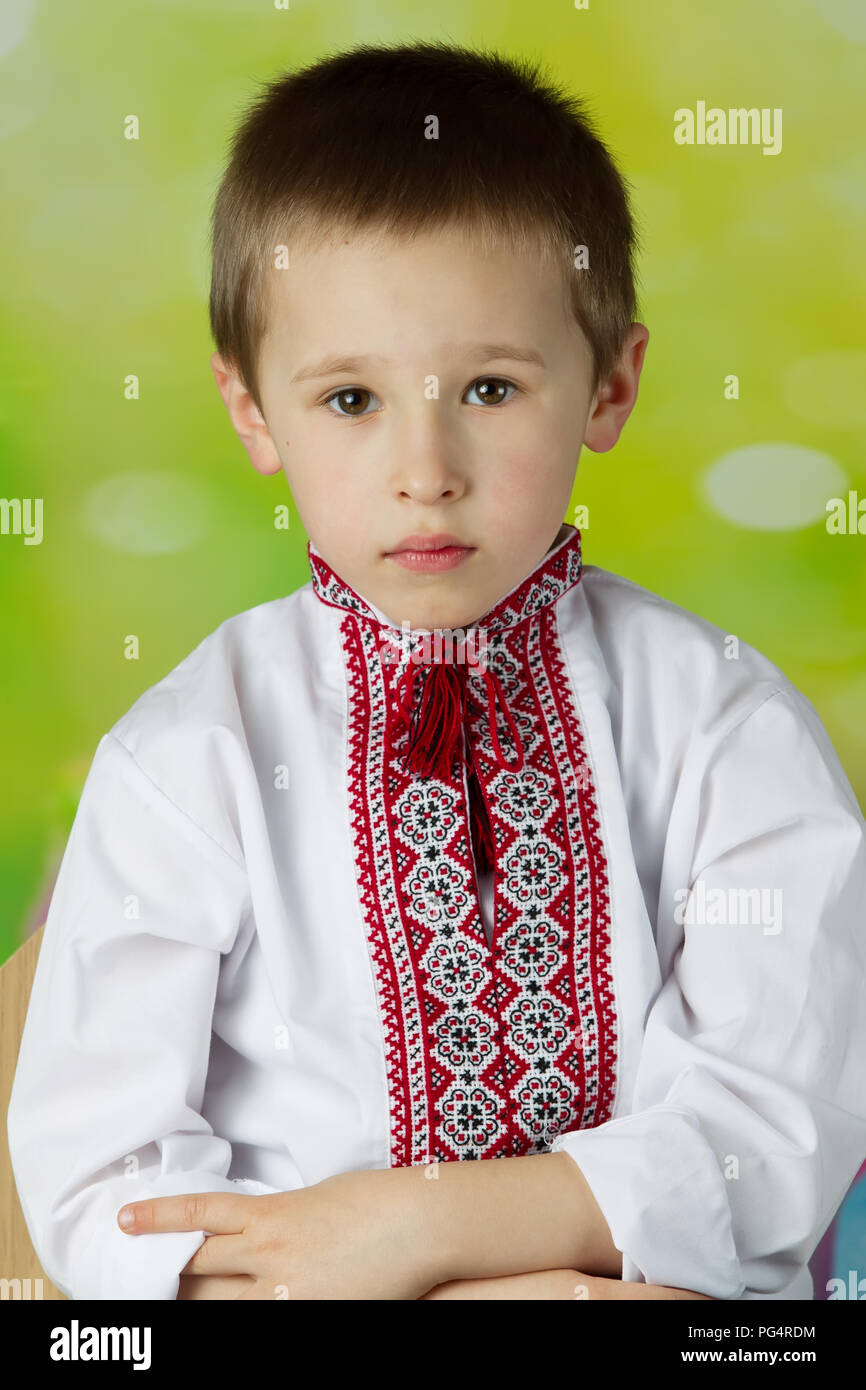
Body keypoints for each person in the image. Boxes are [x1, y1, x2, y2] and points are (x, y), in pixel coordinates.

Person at [8, 40, 866, 1302]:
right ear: (252, 412)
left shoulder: (722, 723)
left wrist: (421, 1229)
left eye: (487, 387)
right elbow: (103, 1175)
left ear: (607, 385)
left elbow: (780, 1128)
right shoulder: (190, 753)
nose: (426, 467)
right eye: (350, 399)